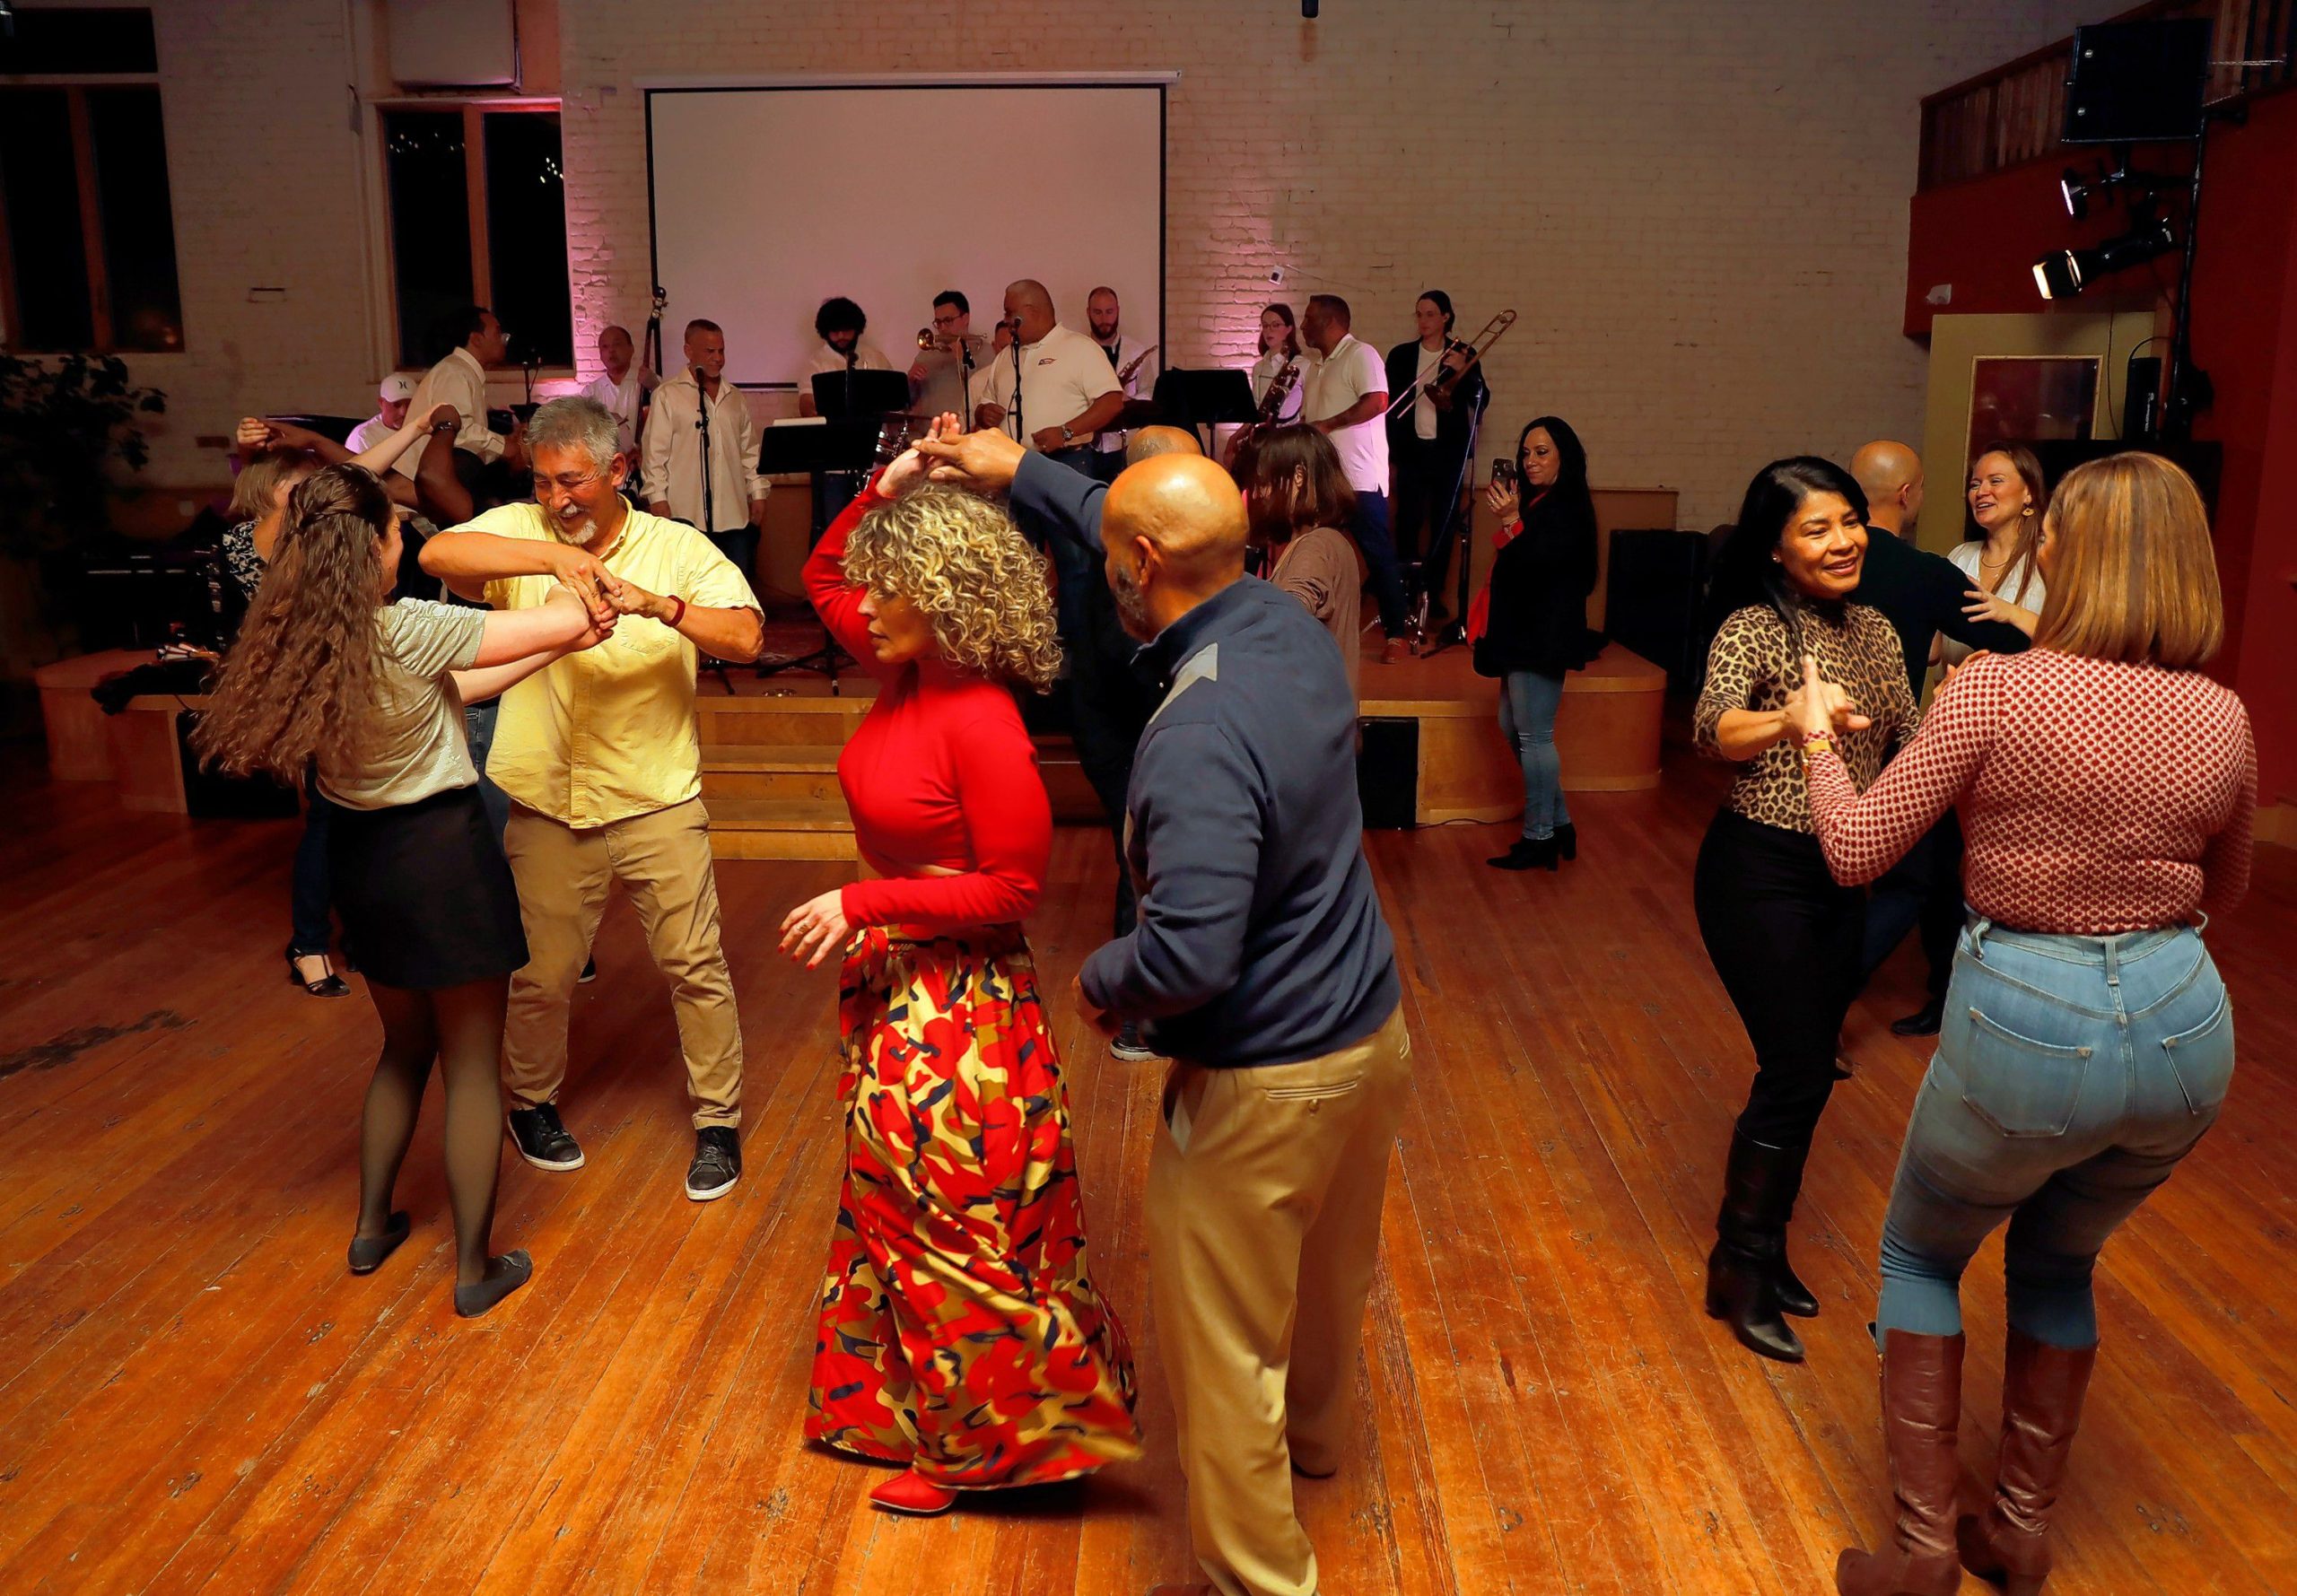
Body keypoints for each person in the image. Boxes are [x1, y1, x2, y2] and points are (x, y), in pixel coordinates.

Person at [1799, 453, 2253, 1596]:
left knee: (1918, 1253)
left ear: (2084, 557)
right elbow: (2226, 897)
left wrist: (1812, 732)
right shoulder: (2223, 716)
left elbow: (1857, 848)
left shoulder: (2000, 689)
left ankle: (1923, 1557)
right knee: (2059, 1261)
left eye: (2058, 534)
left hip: (2027, 1020)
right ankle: (2018, 1535)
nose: (2038, 544)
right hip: (2185, 1032)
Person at [781, 422, 1141, 1518]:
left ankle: (994, 1448)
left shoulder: (979, 718)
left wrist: (863, 899)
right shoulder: (904, 663)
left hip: (958, 1014)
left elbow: (1014, 891)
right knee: (896, 1211)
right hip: (897, 991)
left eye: (891, 587)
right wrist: (892, 482)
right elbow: (820, 570)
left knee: (946, 1225)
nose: (863, 603)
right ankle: (925, 1416)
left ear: (940, 596)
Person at [1072, 453, 1408, 1596]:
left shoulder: (1198, 728)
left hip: (1268, 1077)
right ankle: (1316, 1447)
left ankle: (1259, 1580)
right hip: (1370, 1033)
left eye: (1111, 541)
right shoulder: (1279, 617)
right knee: (1325, 1277)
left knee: (1225, 1357)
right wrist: (1012, 467)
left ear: (1140, 562)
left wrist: (1097, 975)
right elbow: (1134, 528)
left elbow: (1187, 956)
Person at [195, 464, 615, 1316]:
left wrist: (560, 643)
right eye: (395, 534)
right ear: (372, 552)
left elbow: (453, 686)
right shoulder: (408, 625)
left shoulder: (307, 639)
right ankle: (473, 1268)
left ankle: (370, 1224)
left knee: (401, 1050)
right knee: (471, 1065)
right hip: (442, 860)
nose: (405, 546)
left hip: (364, 859)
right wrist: (580, 581)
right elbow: (563, 613)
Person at [420, 397, 765, 1202]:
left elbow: (748, 638)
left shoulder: (676, 546)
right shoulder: (523, 532)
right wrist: (550, 562)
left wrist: (663, 607)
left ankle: (717, 1119)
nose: (557, 499)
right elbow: (438, 553)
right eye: (542, 483)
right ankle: (531, 1104)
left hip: (654, 797)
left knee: (694, 965)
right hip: (546, 798)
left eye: (572, 481)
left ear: (618, 471)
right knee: (539, 976)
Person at [1690, 457, 1921, 1365]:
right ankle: (1738, 1265)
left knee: (1809, 1071)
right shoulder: (1754, 629)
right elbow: (1711, 730)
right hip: (1759, 871)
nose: (1842, 540)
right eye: (1816, 528)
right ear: (1777, 549)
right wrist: (1790, 722)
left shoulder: (1875, 629)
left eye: (1850, 520)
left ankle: (1762, 1250)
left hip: (1842, 872)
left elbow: (1909, 734)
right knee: (1793, 1065)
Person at [910, 421, 1184, 1067]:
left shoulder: (1119, 535)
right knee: (1142, 855)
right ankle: (1137, 1022)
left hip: (1107, 716)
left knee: (1142, 853)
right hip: (1116, 723)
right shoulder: (1128, 550)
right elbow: (1131, 656)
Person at [223, 408, 462, 997]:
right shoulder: (263, 539)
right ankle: (308, 944)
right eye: (300, 488)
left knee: (353, 817)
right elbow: (353, 476)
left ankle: (356, 936)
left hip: (331, 682)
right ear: (273, 495)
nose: (315, 495)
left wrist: (414, 430)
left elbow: (354, 476)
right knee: (330, 821)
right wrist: (413, 431)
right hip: (302, 693)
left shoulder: (278, 530)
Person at [1845, 440, 2029, 1038]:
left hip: (1818, 738)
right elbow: (2017, 646)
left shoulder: (1818, 557)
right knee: (1911, 878)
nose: (1978, 491)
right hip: (1890, 745)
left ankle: (1940, 991)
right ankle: (1826, 991)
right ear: (1908, 494)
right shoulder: (1931, 569)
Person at [1475, 415, 1599, 871]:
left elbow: (1538, 566)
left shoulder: (1565, 506)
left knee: (1534, 736)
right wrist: (1513, 517)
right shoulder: (1539, 502)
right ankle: (1560, 823)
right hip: (1523, 634)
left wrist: (1510, 519)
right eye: (1526, 452)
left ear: (1564, 457)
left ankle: (1540, 837)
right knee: (1515, 729)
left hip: (1542, 637)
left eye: (1541, 452)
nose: (1530, 461)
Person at [1299, 293, 1408, 662]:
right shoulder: (1315, 367)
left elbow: (1378, 401)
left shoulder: (1362, 354)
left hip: (1359, 479)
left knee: (1378, 556)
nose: (1301, 326)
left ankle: (1397, 635)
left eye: (1308, 318)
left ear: (1330, 322)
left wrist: (1328, 424)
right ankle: (1316, 631)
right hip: (1324, 481)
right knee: (1317, 555)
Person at [1385, 292, 1487, 630]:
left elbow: (1481, 399)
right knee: (1408, 522)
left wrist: (1466, 371)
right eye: (1419, 314)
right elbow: (1389, 409)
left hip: (1448, 457)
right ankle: (1406, 590)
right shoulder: (1401, 356)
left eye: (1430, 314)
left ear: (1446, 317)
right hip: (1412, 454)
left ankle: (1434, 592)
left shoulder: (1463, 352)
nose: (1423, 320)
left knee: (1444, 525)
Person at [1240, 424, 1364, 697]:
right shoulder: (1324, 541)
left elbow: (1282, 623)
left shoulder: (1316, 546)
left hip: (1310, 727)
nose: (1259, 494)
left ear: (1299, 476)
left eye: (1265, 483)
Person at [642, 318, 768, 582]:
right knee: (690, 594)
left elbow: (749, 452)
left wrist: (757, 492)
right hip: (685, 515)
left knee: (737, 594)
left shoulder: (734, 397)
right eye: (710, 352)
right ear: (688, 351)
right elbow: (655, 456)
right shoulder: (668, 396)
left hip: (734, 517)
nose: (718, 359)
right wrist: (658, 499)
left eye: (721, 351)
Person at [971, 279, 1126, 467]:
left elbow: (1112, 402)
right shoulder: (1005, 356)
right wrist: (984, 412)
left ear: (1033, 312)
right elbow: (985, 402)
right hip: (1012, 464)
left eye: (1010, 312)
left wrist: (1065, 432)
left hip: (1067, 462)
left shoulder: (1080, 348)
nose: (1006, 319)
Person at [391, 306, 527, 493]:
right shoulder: (454, 372)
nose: (504, 339)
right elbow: (459, 432)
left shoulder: (463, 371)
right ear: (476, 339)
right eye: (497, 333)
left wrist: (507, 442)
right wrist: (507, 447)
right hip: (421, 494)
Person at [1941, 442, 2048, 665]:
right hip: (1958, 695)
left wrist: (2009, 613)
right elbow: (1933, 653)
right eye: (1975, 484)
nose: (1981, 492)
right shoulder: (1959, 557)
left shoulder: (2049, 557)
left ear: (2028, 492)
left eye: (1996, 481)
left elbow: (2075, 643)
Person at [1086, 285, 1158, 473]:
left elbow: (1149, 391)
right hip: (1089, 446)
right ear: (1088, 313)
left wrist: (1129, 401)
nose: (1104, 319)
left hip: (1128, 446)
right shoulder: (1078, 352)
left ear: (1117, 310)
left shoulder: (1137, 351)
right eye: (1097, 312)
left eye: (1109, 312)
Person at [797, 295, 894, 417]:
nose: (841, 336)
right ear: (826, 332)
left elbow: (893, 399)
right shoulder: (815, 363)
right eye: (835, 331)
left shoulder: (875, 357)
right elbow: (806, 403)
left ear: (856, 329)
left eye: (846, 330)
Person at [908, 289, 985, 421]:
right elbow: (909, 400)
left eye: (948, 320)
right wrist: (910, 381)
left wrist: (962, 357)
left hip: (962, 432)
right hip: (927, 432)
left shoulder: (984, 350)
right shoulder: (926, 354)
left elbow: (984, 393)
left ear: (966, 318)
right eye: (938, 322)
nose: (942, 328)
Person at [582, 323, 655, 460]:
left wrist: (655, 387)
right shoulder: (590, 392)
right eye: (605, 347)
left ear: (631, 349)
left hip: (644, 464)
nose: (611, 351)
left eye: (617, 344)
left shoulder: (647, 382)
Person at [1246, 302, 1307, 424]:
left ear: (1289, 329)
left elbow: (1308, 409)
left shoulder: (1303, 365)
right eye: (1265, 326)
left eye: (1275, 325)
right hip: (1264, 436)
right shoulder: (1258, 367)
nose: (1269, 330)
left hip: (1290, 435)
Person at [345, 373, 417, 455]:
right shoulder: (363, 437)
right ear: (381, 403)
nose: (403, 412)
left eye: (409, 404)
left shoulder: (422, 428)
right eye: (396, 405)